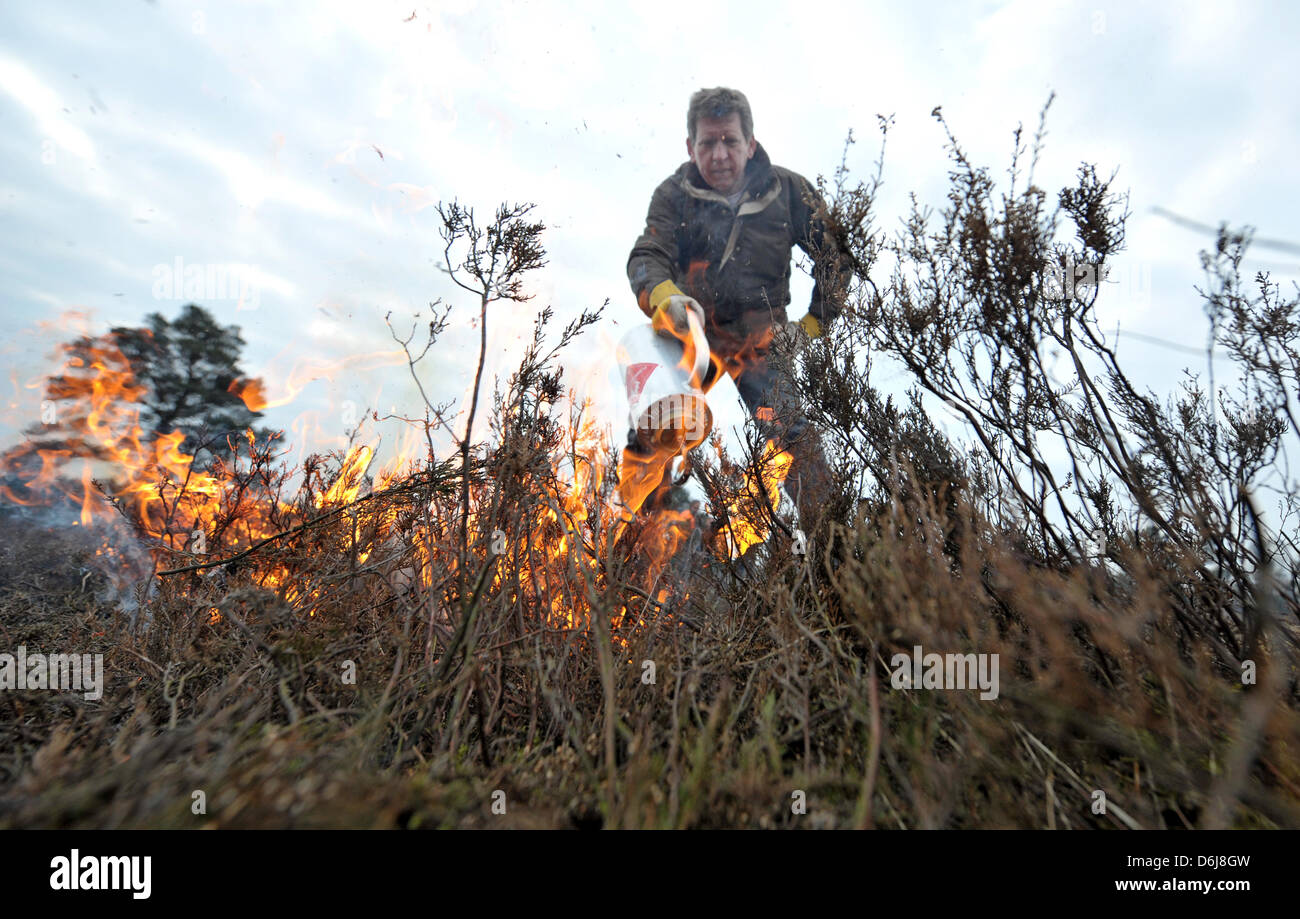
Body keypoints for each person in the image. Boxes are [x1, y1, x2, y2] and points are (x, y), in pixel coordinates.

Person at [626, 86, 850, 534]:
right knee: (653, 433)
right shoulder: (672, 195)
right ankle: (635, 546)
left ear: (750, 143)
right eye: (708, 143)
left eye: (729, 140)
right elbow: (647, 255)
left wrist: (810, 327)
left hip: (762, 343)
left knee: (793, 439)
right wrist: (665, 296)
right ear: (691, 147)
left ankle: (835, 551)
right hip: (692, 336)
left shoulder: (788, 191)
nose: (720, 154)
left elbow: (836, 257)